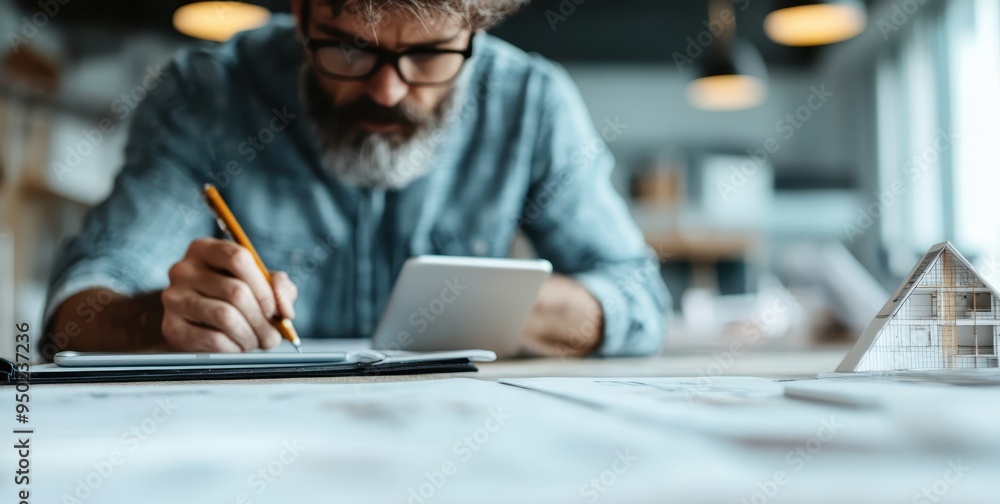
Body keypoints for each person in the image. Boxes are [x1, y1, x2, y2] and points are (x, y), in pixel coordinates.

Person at [44, 0, 669, 358]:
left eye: (428, 54)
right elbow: (74, 311)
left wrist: (523, 311)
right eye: (349, 48)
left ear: (474, 31)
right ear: (300, 15)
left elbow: (640, 299)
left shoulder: (531, 105)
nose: (387, 89)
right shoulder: (204, 96)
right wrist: (159, 319)